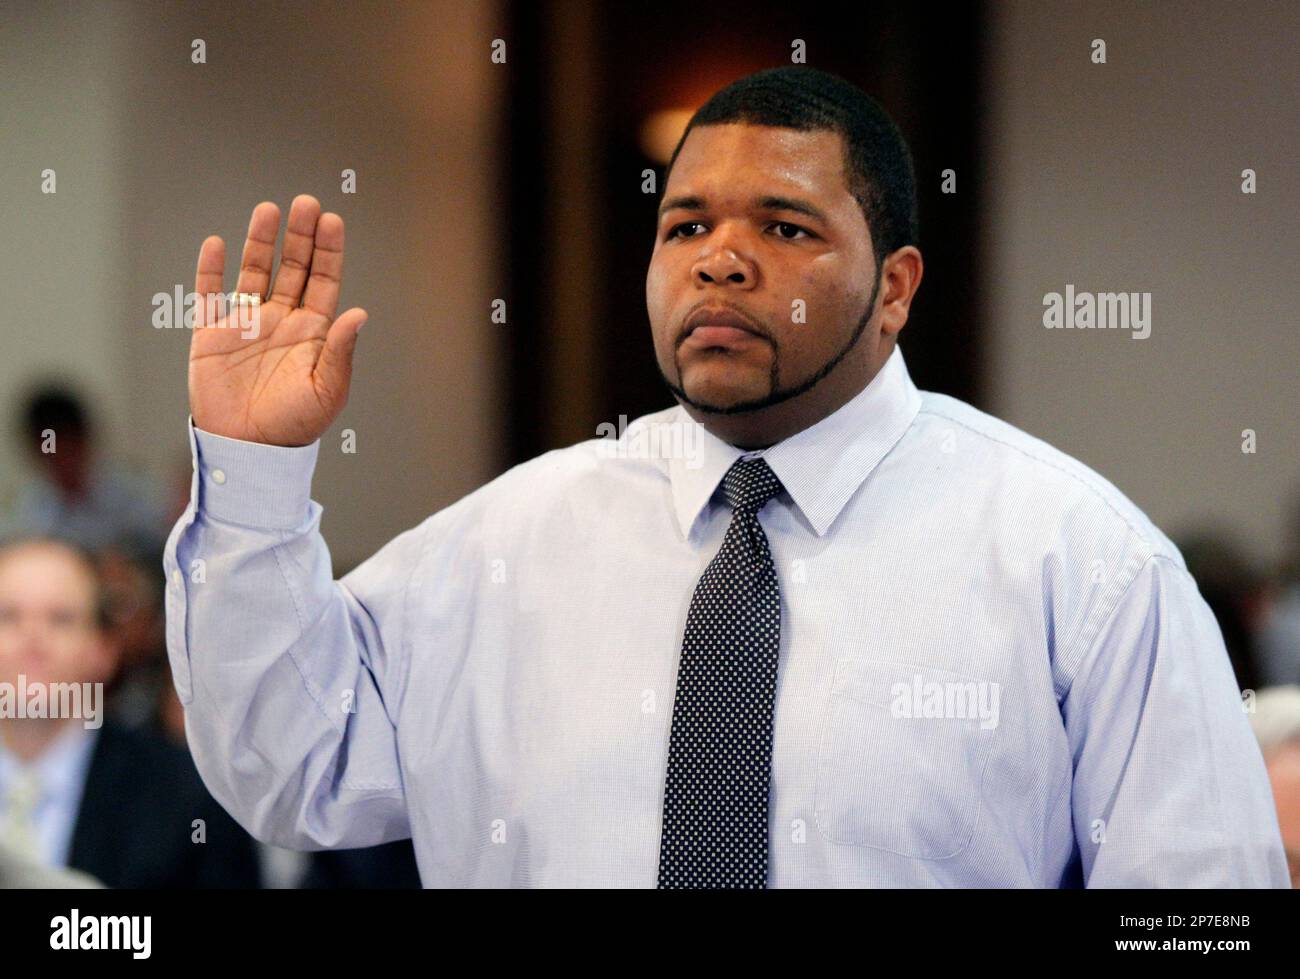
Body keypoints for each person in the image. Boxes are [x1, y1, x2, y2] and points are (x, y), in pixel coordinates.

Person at [164, 66, 1287, 887]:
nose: (719, 256)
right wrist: (257, 474)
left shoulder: (1079, 563)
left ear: (894, 288)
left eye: (787, 225)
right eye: (684, 224)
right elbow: (289, 769)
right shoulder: (502, 546)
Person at [0, 537, 261, 888]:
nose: (33, 639)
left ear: (104, 650)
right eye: (8, 617)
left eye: (61, 620)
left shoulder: (188, 797)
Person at [5, 386, 167, 556]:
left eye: (67, 445)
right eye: (51, 449)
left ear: (83, 439)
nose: (61, 457)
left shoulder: (133, 494)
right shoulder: (24, 512)